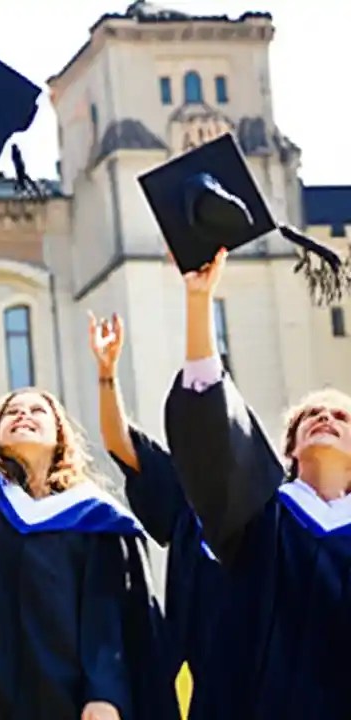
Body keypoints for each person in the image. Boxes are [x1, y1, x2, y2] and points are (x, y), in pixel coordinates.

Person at [0, 232, 174, 720]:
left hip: (79, 707)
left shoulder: (100, 521)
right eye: (11, 412)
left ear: (62, 433)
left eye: (38, 410)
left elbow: (110, 618)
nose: (24, 414)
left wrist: (105, 695)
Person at [165, 248, 351, 717]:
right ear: (289, 448)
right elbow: (215, 434)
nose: (325, 418)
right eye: (311, 416)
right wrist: (199, 301)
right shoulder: (257, 514)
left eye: (341, 416)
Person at [90, 312, 236, 719]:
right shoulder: (186, 495)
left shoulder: (278, 505)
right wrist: (106, 376)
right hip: (198, 670)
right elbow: (121, 445)